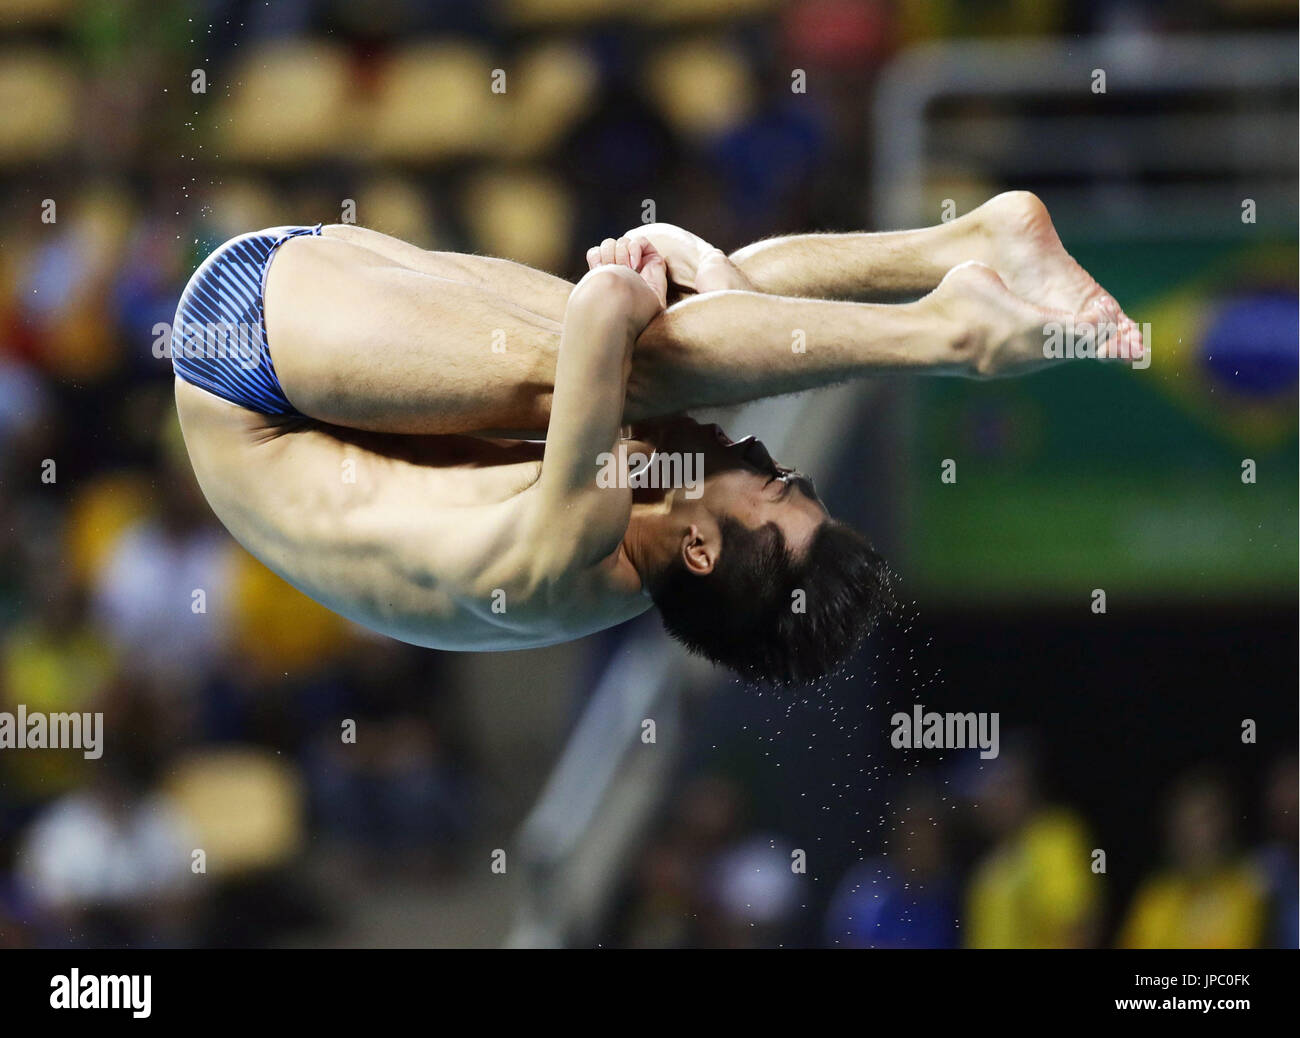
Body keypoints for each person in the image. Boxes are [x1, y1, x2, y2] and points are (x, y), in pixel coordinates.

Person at [169, 192, 1140, 682]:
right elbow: (705, 320)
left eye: (775, 488)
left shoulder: (564, 558)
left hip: (244, 359)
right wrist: (693, 274)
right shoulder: (664, 514)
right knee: (670, 353)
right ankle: (961, 249)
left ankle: (951, 330)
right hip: (330, 330)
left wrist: (649, 270)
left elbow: (604, 313)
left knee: (624, 366)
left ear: (709, 547)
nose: (765, 459)